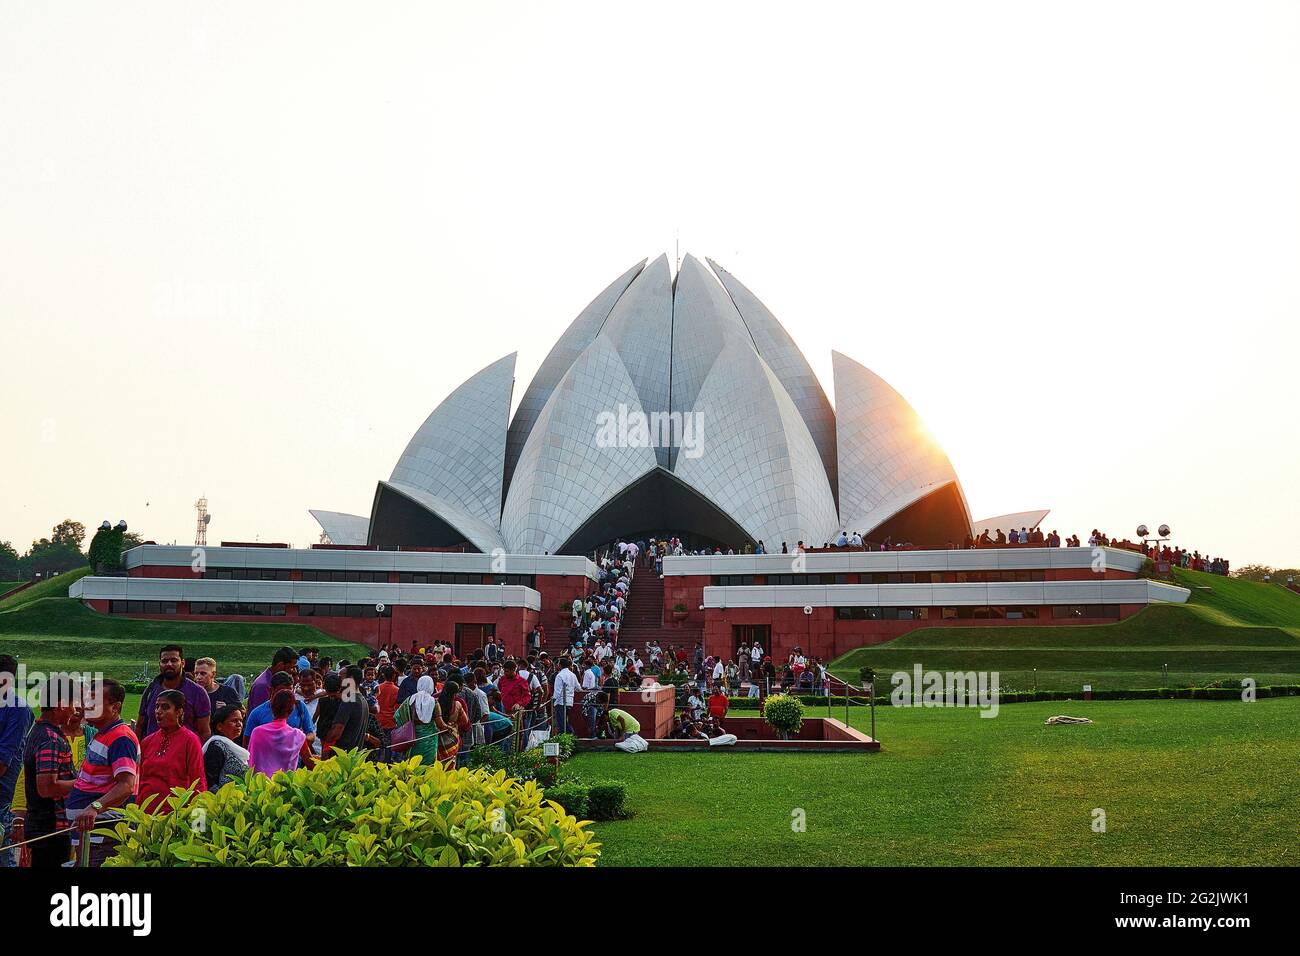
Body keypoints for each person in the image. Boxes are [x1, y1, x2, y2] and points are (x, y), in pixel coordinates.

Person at [67, 678, 140, 868]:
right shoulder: (102, 733)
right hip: (92, 832)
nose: (87, 706)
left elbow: (126, 785)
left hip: (103, 834)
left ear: (115, 707)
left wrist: (95, 807)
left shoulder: (120, 738)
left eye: (94, 701)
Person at [21, 674, 79, 868]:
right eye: (73, 703)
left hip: (41, 826)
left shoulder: (39, 731)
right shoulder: (51, 739)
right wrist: (82, 783)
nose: (75, 709)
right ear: (61, 704)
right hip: (51, 829)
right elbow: (46, 787)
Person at [137, 689, 207, 814]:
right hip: (145, 814)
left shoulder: (190, 740)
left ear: (179, 712)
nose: (158, 711)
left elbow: (198, 780)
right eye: (157, 707)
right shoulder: (147, 741)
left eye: (165, 707)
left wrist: (199, 822)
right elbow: (140, 780)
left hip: (174, 814)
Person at [136, 645, 212, 742]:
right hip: (153, 752)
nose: (169, 664)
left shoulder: (197, 692)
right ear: (159, 664)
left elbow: (204, 732)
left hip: (184, 752)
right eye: (164, 661)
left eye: (174, 660)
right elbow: (140, 725)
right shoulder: (151, 690)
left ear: (183, 663)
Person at [243, 672, 316, 748]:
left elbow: (310, 734)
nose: (285, 696)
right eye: (281, 691)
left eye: (289, 692)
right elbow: (247, 744)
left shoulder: (300, 707)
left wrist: (297, 740)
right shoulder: (257, 713)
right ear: (271, 690)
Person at [248, 690, 311, 777]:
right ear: (292, 710)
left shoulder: (257, 732)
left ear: (272, 707)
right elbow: (309, 762)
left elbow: (250, 760)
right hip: (285, 786)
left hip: (260, 786)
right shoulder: (298, 735)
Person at [393, 675, 440, 767]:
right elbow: (440, 722)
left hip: (413, 736)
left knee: (413, 763)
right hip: (429, 738)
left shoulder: (409, 700)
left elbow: (397, 716)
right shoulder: (434, 702)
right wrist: (449, 727)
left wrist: (405, 724)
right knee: (428, 764)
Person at [320, 668, 369, 755]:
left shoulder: (349, 700)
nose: (338, 680)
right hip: (353, 757)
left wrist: (326, 746)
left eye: (340, 677)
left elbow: (336, 732)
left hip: (341, 758)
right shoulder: (362, 700)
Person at [202, 704, 249, 791]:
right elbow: (210, 782)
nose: (239, 724)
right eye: (234, 721)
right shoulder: (216, 748)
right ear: (220, 726)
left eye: (241, 720)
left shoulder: (233, 745)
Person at [247, 646, 300, 714]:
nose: (293, 671)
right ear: (280, 665)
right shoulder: (263, 686)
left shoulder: (275, 680)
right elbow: (262, 715)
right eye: (291, 667)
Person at [435, 680, 470, 768]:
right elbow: (465, 721)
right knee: (450, 765)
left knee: (438, 765)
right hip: (452, 738)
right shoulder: (457, 705)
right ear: (455, 693)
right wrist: (454, 725)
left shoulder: (435, 702)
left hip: (437, 739)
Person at [552, 657, 580, 735]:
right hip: (570, 701)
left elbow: (557, 692)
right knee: (565, 721)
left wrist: (553, 701)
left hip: (560, 702)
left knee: (561, 724)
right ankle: (570, 735)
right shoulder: (573, 675)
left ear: (560, 665)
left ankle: (571, 734)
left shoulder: (559, 675)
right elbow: (578, 688)